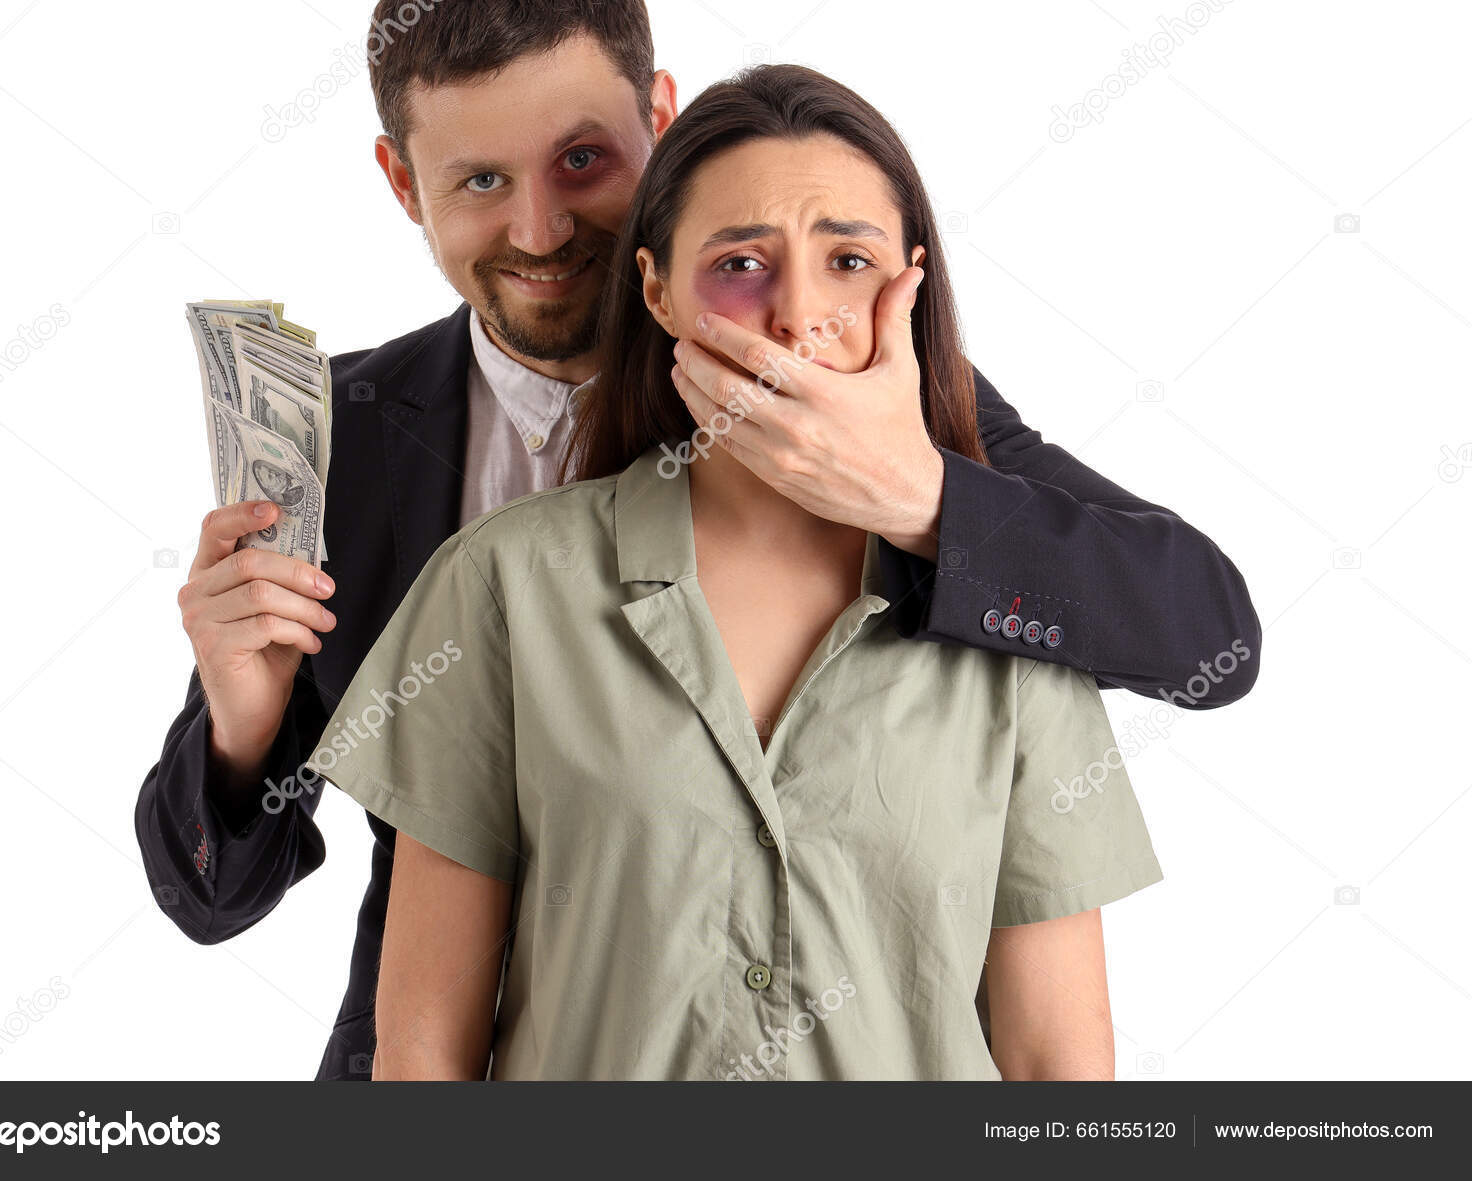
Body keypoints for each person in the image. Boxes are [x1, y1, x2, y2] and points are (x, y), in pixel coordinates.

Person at [136, 0, 1256, 1080]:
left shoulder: (868, 384)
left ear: (659, 121)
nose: (539, 230)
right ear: (401, 183)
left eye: (581, 160)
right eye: (480, 181)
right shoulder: (341, 440)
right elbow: (209, 900)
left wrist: (920, 496)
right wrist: (243, 727)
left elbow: (1207, 640)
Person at [308, 63, 1163, 1079]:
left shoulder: (1017, 611)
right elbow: (422, 1051)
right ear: (656, 289)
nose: (800, 314)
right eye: (742, 263)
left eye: (848, 260)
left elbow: (1056, 1061)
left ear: (910, 287)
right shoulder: (499, 586)